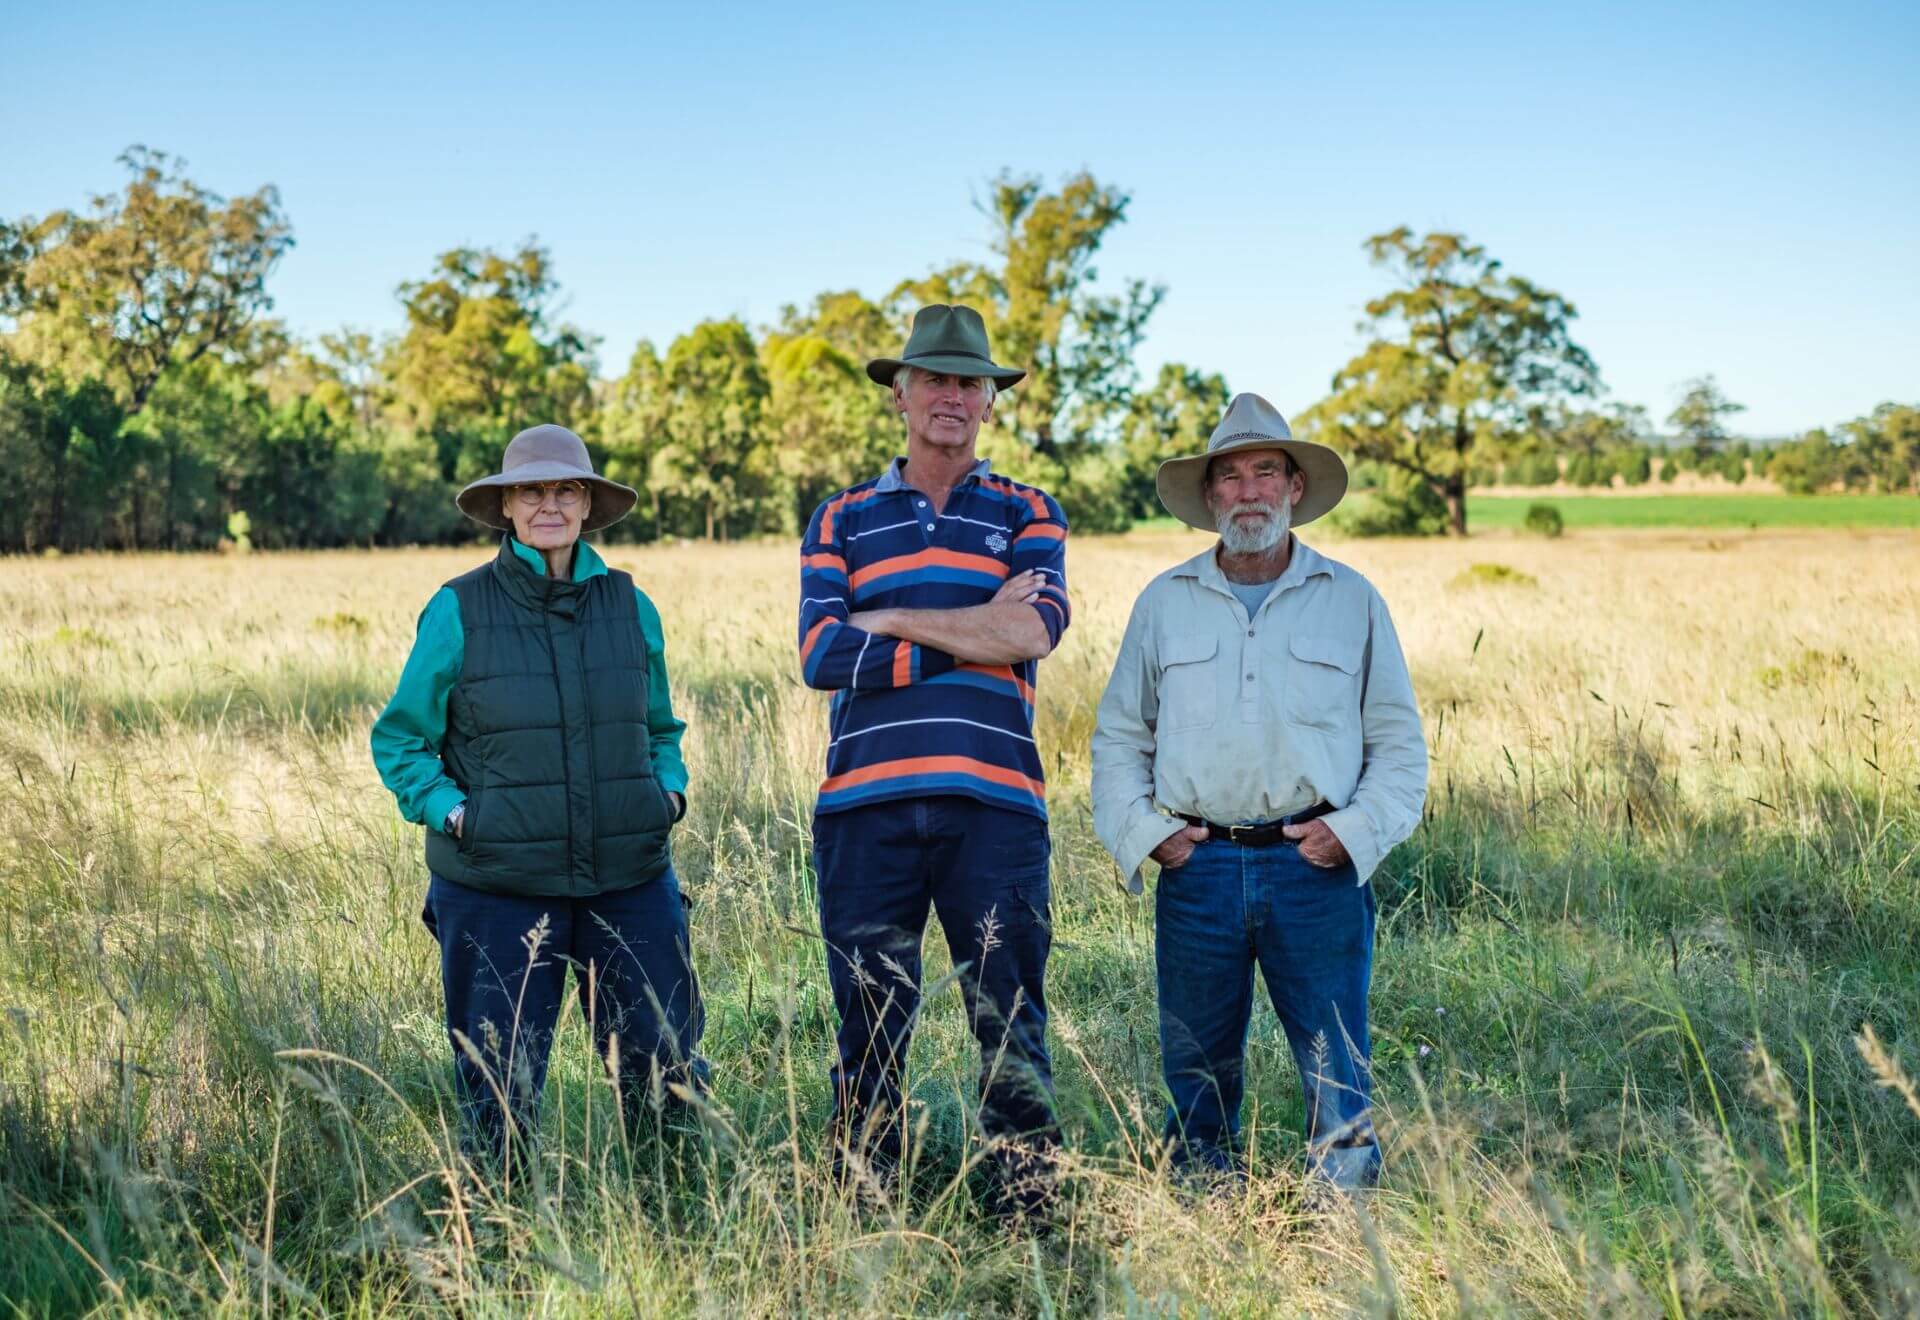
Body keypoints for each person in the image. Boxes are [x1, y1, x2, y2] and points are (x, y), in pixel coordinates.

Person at [1090, 392, 1427, 1191]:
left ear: (1294, 488)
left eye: (1265, 471)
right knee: (1197, 1061)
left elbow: (1400, 747)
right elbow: (1118, 738)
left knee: (1335, 1056)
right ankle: (1206, 1206)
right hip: (1197, 866)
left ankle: (1344, 1214)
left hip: (1316, 866)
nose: (1249, 490)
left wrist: (1354, 832)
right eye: (1231, 476)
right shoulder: (1164, 602)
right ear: (1209, 498)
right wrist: (1145, 833)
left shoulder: (1352, 599)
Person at [371, 423, 706, 1172]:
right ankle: (496, 1241)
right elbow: (400, 740)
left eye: (565, 489)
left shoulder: (631, 606)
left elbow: (661, 727)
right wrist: (456, 814)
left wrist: (668, 795)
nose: (548, 503)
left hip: (631, 878)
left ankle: (677, 1219)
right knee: (498, 1086)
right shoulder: (459, 609)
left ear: (587, 504)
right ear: (506, 507)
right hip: (498, 887)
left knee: (665, 1069)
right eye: (531, 490)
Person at [796, 304, 1070, 1216]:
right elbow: (822, 656)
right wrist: (974, 632)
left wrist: (894, 617)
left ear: (990, 401)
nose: (952, 396)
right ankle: (865, 1204)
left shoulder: (1028, 509)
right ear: (901, 395)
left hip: (995, 807)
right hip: (864, 808)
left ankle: (1030, 1208)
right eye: (935, 380)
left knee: (1008, 1018)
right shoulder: (841, 516)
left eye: (970, 382)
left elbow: (1034, 628)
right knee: (870, 1019)